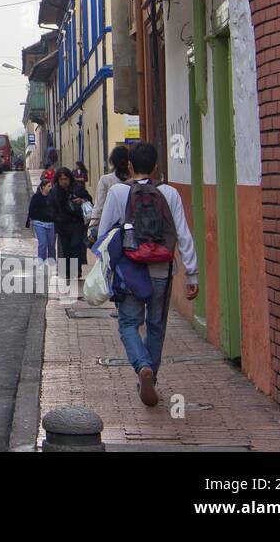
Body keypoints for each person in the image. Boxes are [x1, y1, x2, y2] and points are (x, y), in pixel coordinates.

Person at [90, 142, 199, 407]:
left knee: (128, 324)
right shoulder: (170, 193)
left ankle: (142, 367)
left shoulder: (117, 192)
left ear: (129, 166)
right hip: (162, 270)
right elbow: (183, 235)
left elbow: (105, 234)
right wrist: (192, 274)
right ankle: (150, 377)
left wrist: (104, 269)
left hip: (130, 271)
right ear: (156, 166)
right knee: (156, 326)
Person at [51, 166, 92, 280]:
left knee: (76, 246)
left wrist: (81, 200)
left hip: (76, 223)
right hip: (62, 225)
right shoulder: (55, 191)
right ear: (58, 180)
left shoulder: (78, 188)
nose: (64, 182)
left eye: (66, 179)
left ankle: (75, 272)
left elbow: (89, 199)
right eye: (61, 179)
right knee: (65, 248)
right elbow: (51, 207)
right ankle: (67, 272)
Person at [88, 145, 131, 244]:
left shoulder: (106, 180)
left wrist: (93, 226)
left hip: (110, 228)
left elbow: (99, 205)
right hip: (130, 228)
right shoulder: (134, 180)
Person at [25, 176, 57, 264]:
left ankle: (52, 262)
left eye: (51, 186)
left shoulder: (53, 197)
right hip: (39, 223)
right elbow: (31, 209)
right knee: (43, 243)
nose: (51, 188)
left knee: (51, 245)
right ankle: (41, 262)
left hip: (51, 224)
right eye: (49, 186)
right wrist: (32, 219)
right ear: (43, 187)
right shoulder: (36, 197)